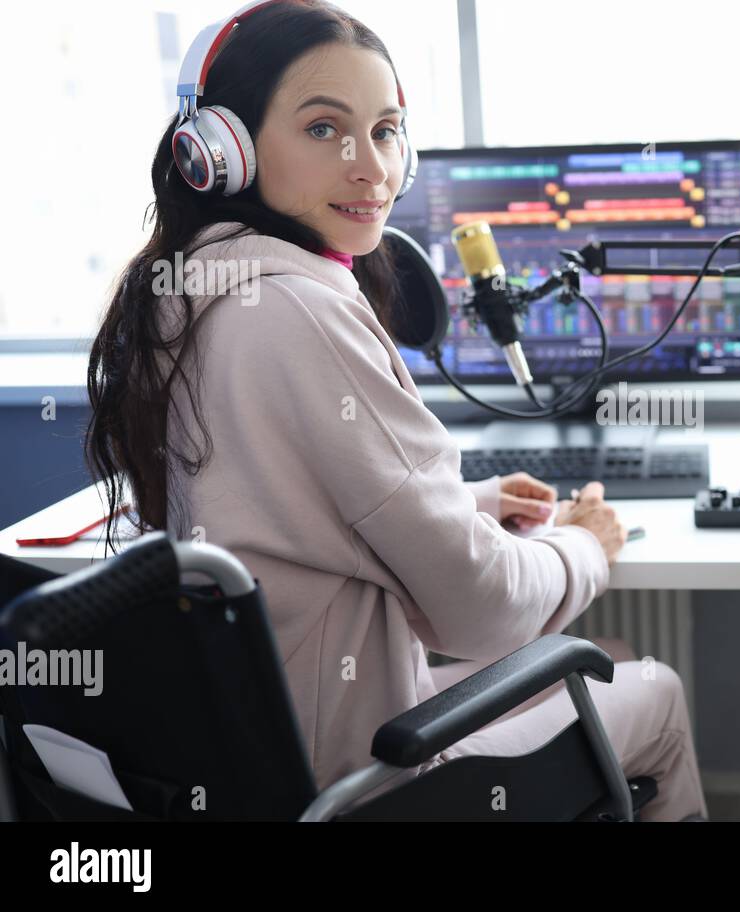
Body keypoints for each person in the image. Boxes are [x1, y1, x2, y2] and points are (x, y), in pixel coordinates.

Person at [84, 0, 706, 822]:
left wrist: (470, 506)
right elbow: (481, 610)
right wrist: (583, 548)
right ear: (221, 152)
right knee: (650, 690)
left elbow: (289, 516)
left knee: (609, 657)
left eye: (384, 131)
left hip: (259, 755)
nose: (370, 167)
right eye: (322, 129)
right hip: (361, 782)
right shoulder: (302, 310)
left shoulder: (185, 293)